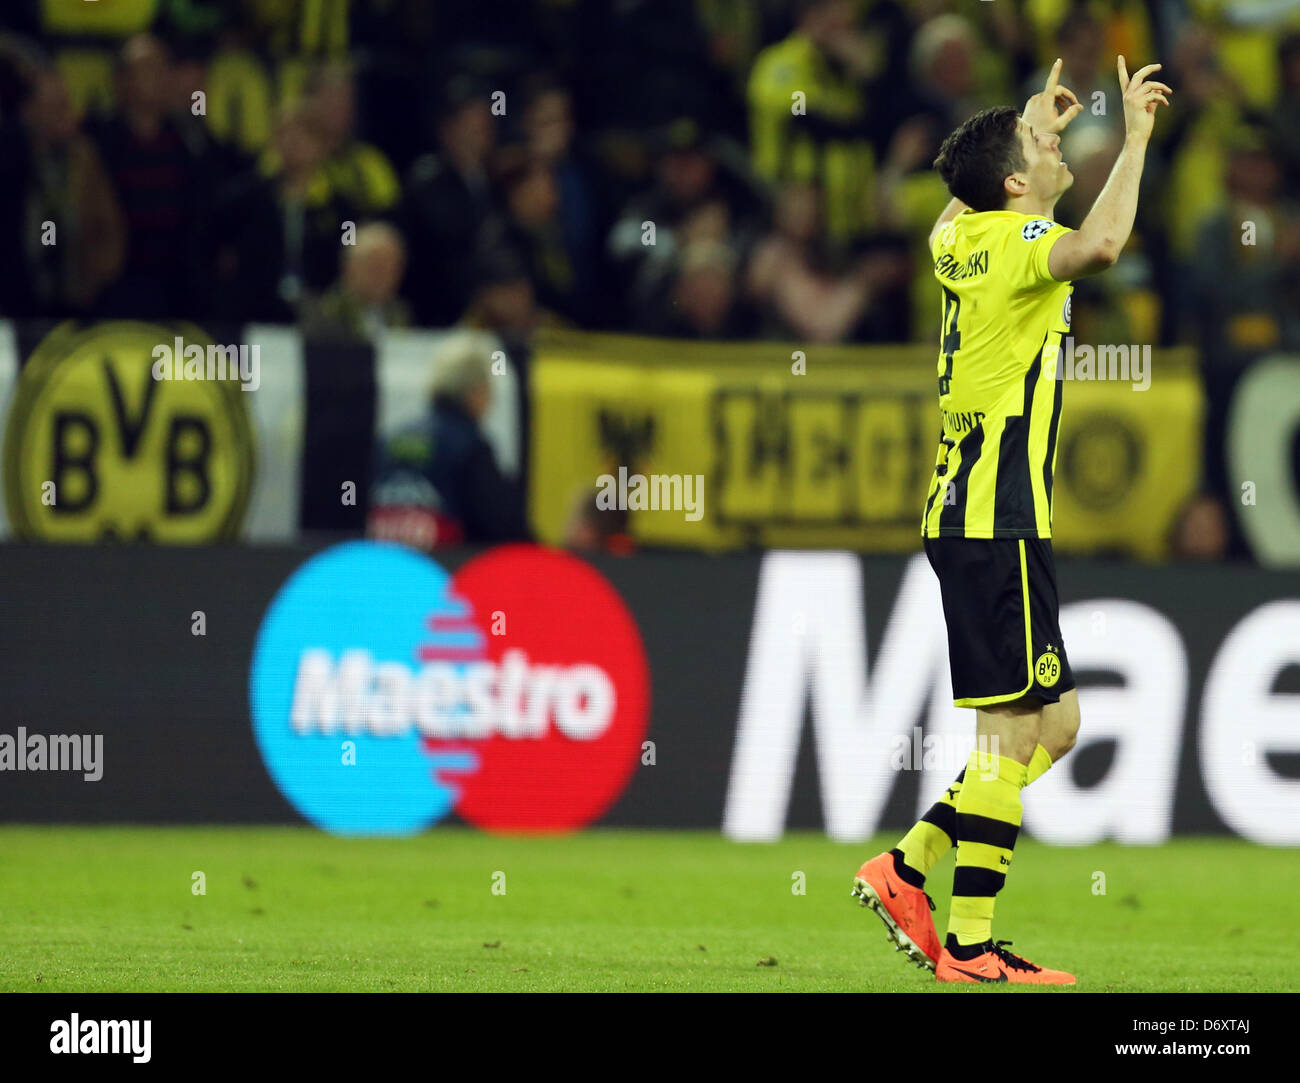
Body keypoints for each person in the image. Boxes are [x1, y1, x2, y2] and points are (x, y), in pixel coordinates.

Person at [851, 57, 1172, 985]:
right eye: (1042, 146)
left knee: (1057, 724)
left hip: (976, 513)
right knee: (1010, 736)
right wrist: (1139, 143)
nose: (1057, 145)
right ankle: (970, 941)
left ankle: (907, 862)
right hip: (994, 514)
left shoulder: (959, 237)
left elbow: (956, 207)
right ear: (1015, 187)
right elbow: (1102, 248)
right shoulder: (1022, 240)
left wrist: (1034, 123)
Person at [367, 331, 529, 549]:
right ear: (475, 392)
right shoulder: (471, 446)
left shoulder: (388, 440)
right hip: (444, 570)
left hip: (385, 565)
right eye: (488, 390)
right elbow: (502, 524)